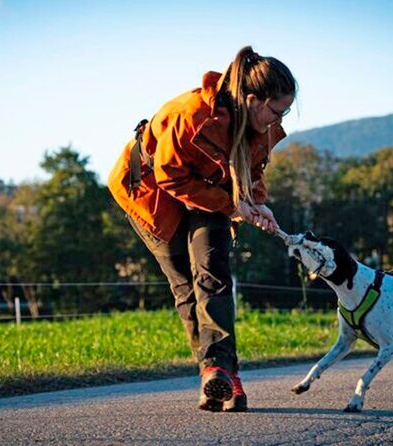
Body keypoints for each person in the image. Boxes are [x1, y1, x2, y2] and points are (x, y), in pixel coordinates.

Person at [107, 45, 297, 412]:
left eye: (285, 111)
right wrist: (234, 205)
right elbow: (171, 177)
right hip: (153, 191)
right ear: (254, 99)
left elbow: (253, 173)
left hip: (210, 191)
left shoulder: (260, 125)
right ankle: (217, 370)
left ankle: (220, 373)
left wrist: (256, 204)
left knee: (214, 274)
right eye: (278, 110)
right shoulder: (191, 115)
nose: (280, 119)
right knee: (186, 286)